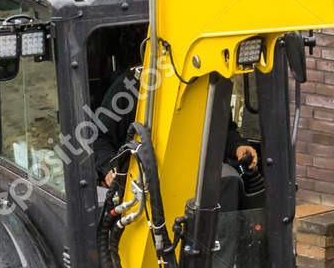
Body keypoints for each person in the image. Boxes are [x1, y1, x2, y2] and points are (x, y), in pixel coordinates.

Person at [90, 65, 258, 198]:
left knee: (230, 179)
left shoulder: (210, 79)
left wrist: (237, 145)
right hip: (144, 177)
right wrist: (112, 167)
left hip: (197, 172)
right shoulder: (133, 84)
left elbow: (223, 127)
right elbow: (98, 137)